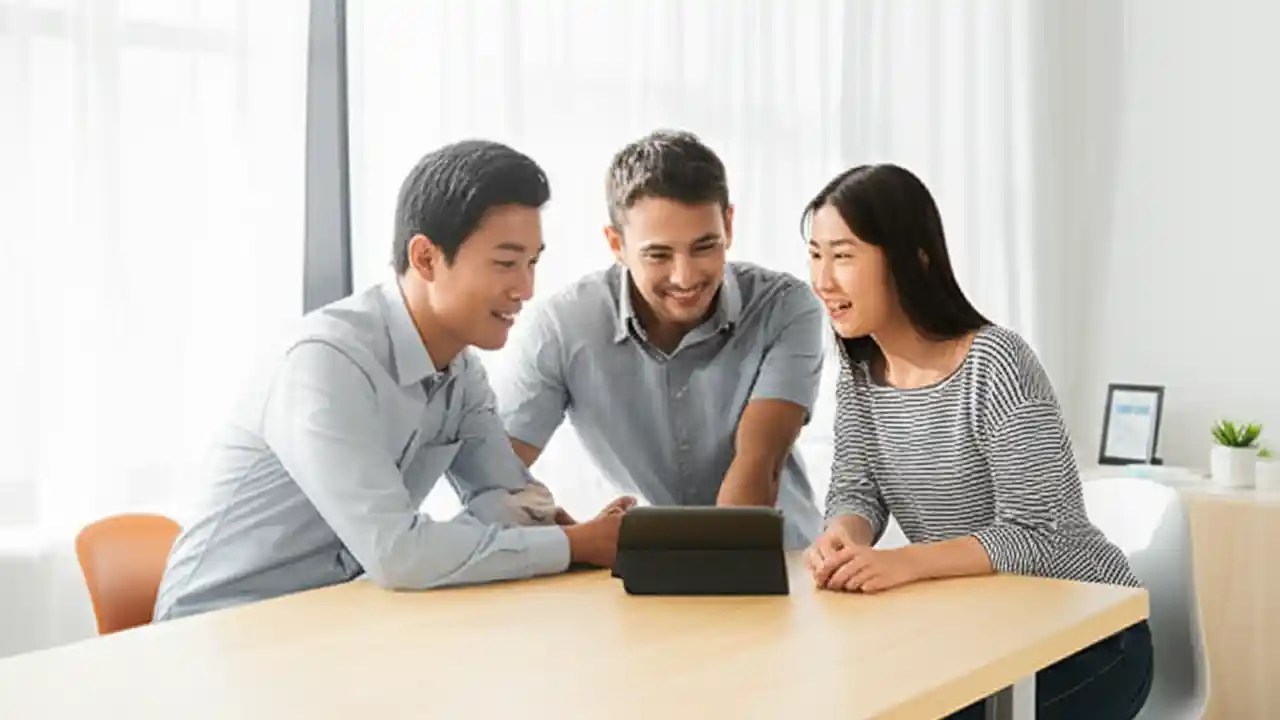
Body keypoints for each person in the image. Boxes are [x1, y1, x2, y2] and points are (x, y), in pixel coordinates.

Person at [154, 140, 634, 621]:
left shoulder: (461, 372)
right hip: (217, 626)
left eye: (532, 263)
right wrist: (570, 545)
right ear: (425, 258)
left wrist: (575, 536)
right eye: (506, 263)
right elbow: (397, 553)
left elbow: (515, 499)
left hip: (334, 616)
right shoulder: (324, 362)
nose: (526, 289)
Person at [800, 164, 1153, 719]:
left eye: (843, 256)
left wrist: (907, 562)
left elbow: (1039, 534)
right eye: (815, 254)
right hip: (978, 632)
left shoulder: (996, 363)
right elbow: (856, 487)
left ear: (913, 258)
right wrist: (842, 535)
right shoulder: (860, 376)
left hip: (1090, 635)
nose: (823, 280)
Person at [494, 130, 824, 549]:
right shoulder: (562, 327)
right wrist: (574, 537)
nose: (685, 277)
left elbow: (760, 465)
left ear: (728, 225)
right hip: (643, 567)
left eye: (704, 246)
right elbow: (497, 477)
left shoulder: (785, 307)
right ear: (617, 244)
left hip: (779, 560)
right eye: (658, 255)